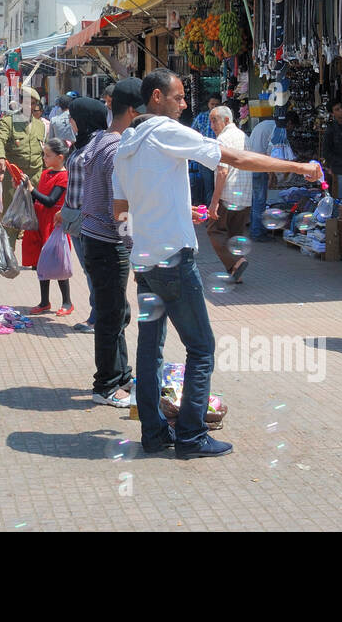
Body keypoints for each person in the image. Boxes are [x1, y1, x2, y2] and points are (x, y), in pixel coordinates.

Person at [113, 69, 321, 458]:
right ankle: (191, 437)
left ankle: (154, 435)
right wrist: (297, 167)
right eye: (178, 97)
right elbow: (236, 157)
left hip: (144, 260)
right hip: (172, 260)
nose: (185, 103)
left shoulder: (126, 144)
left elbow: (121, 212)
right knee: (202, 347)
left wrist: (165, 219)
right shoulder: (165, 130)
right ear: (156, 97)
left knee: (149, 348)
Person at [78, 79, 142, 409]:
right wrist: (136, 247)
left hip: (96, 238)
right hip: (107, 242)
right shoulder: (117, 148)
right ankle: (105, 385)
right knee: (110, 316)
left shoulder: (101, 139)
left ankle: (122, 375)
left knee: (117, 313)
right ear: (133, 111)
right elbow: (118, 210)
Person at [57, 96, 109, 333]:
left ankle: (99, 316)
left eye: (73, 118)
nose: (70, 122)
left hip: (90, 217)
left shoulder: (100, 144)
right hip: (74, 215)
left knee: (94, 269)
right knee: (89, 269)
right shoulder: (81, 142)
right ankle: (98, 313)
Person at [0, 85, 46, 245]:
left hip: (35, 175)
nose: (32, 106)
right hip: (14, 177)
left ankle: (35, 257)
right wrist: (0, 157)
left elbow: (45, 149)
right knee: (12, 217)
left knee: (36, 215)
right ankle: (8, 256)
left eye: (35, 103)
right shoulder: (9, 121)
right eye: (29, 102)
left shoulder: (40, 125)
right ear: (21, 102)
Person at [26, 138, 72, 316]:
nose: (44, 158)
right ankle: (44, 301)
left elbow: (50, 201)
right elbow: (38, 198)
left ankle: (67, 301)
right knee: (41, 263)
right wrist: (26, 190)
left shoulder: (64, 177)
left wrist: (31, 190)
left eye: (47, 155)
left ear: (60, 157)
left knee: (59, 263)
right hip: (41, 221)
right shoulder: (46, 173)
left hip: (55, 224)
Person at [207, 105, 251, 282]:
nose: (212, 125)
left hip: (228, 195)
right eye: (211, 121)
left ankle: (237, 262)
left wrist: (214, 201)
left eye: (214, 120)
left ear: (226, 120)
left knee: (214, 230)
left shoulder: (222, 140)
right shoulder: (244, 137)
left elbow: (222, 172)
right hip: (245, 195)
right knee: (235, 235)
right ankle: (235, 272)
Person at [246, 113, 278, 240]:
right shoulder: (276, 128)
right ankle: (257, 233)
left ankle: (255, 229)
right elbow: (271, 151)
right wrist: (272, 173)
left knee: (255, 201)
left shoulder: (263, 125)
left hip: (251, 164)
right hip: (260, 166)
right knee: (259, 202)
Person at [190, 93, 221, 205]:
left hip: (220, 156)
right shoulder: (201, 117)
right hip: (205, 157)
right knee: (209, 187)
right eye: (212, 104)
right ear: (208, 104)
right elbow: (192, 134)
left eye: (217, 105)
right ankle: (210, 214)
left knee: (219, 187)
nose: (214, 106)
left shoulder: (223, 119)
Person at [322, 101, 342, 199]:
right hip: (341, 170)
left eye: (341, 107)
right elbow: (327, 153)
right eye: (337, 109)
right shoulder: (331, 130)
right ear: (332, 114)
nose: (341, 111)